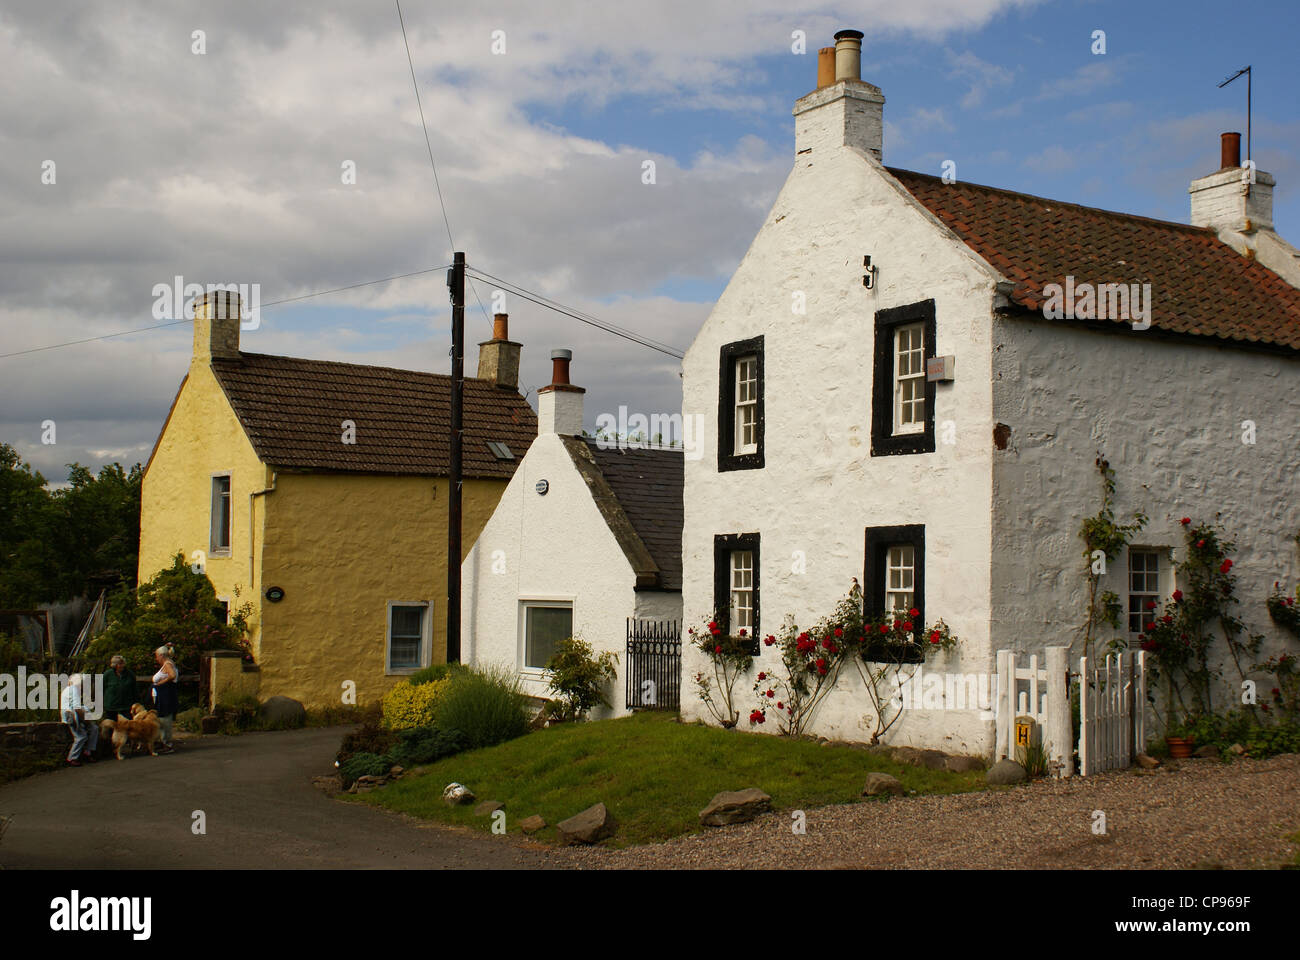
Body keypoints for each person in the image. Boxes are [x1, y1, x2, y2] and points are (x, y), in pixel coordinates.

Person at [60, 674, 99, 767]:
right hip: (71, 716)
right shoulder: (73, 690)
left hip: (72, 714)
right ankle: (72, 758)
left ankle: (88, 752)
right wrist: (87, 719)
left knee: (94, 729)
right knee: (81, 736)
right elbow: (77, 709)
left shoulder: (69, 689)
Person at [151, 645, 179, 753]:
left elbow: (171, 675)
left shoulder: (167, 664)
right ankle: (163, 742)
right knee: (162, 719)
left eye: (157, 656)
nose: (156, 659)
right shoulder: (168, 663)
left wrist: (160, 683)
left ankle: (167, 744)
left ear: (161, 656)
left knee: (165, 719)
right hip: (163, 695)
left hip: (166, 696)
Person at [103, 654, 136, 720]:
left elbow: (135, 690)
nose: (122, 666)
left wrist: (136, 703)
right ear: (115, 665)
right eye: (120, 664)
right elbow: (101, 689)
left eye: (123, 663)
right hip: (111, 707)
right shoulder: (108, 674)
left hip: (126, 707)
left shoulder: (130, 674)